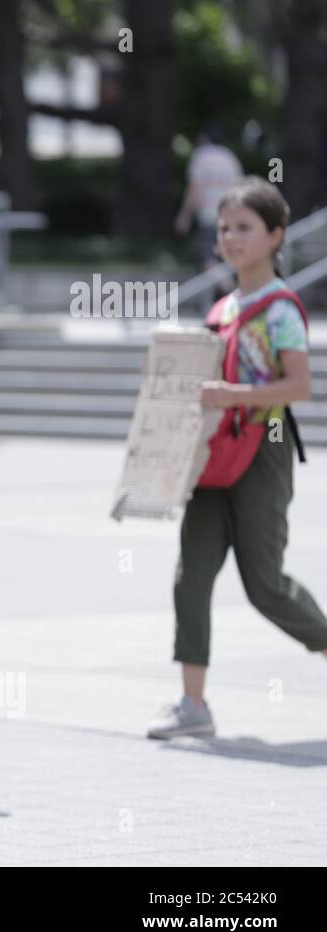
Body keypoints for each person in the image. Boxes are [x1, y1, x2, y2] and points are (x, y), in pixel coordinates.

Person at [149, 178, 327, 740]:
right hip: (211, 455)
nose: (230, 237)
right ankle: (193, 705)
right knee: (191, 577)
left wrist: (233, 397)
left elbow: (298, 387)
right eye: (225, 227)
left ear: (277, 236)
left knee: (265, 585)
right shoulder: (223, 306)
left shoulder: (280, 309)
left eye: (245, 227)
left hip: (262, 453)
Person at [175, 126, 244, 277]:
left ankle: (232, 290)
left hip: (209, 216)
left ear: (205, 139)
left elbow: (195, 188)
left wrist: (184, 216)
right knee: (225, 259)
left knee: (206, 259)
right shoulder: (230, 158)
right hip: (231, 216)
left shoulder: (202, 156)